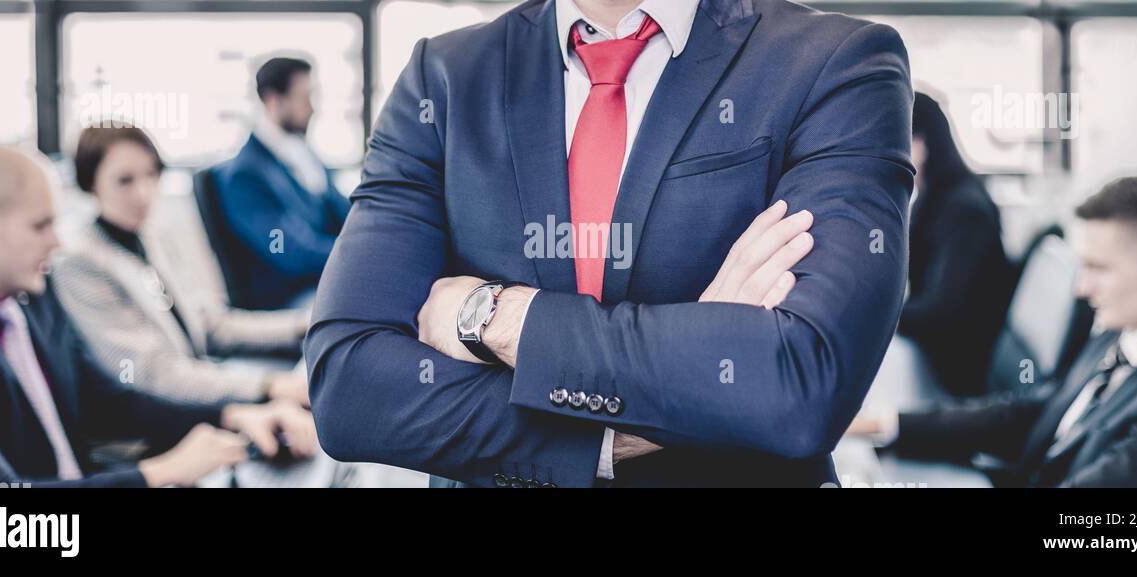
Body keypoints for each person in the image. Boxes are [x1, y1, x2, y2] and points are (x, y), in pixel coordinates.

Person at [307, 0, 914, 487]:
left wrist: (491, 315)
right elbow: (349, 385)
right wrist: (645, 417)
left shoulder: (836, 63)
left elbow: (804, 382)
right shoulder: (442, 77)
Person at [0, 145, 318, 488]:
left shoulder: (29, 299)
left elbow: (106, 403)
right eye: (41, 225)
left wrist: (233, 415)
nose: (57, 241)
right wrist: (158, 474)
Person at [848, 177, 1137, 487]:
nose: (1080, 288)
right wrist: (887, 424)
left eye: (1097, 268)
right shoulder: (1125, 332)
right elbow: (1038, 413)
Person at [53, 125, 310, 407]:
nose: (143, 193)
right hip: (156, 423)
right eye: (124, 180)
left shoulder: (152, 239)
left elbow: (210, 325)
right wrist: (268, 386)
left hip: (199, 387)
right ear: (90, 183)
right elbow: (153, 374)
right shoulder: (81, 262)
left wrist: (299, 325)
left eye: (151, 175)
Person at [898, 92, 1015, 396]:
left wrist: (876, 316)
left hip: (956, 371)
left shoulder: (963, 210)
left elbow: (940, 313)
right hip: (939, 351)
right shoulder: (936, 197)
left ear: (919, 144)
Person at [216, 56, 349, 310]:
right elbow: (290, 253)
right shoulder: (245, 175)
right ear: (273, 99)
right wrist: (358, 254)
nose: (312, 107)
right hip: (287, 298)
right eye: (303, 97)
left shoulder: (302, 153)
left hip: (322, 281)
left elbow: (344, 212)